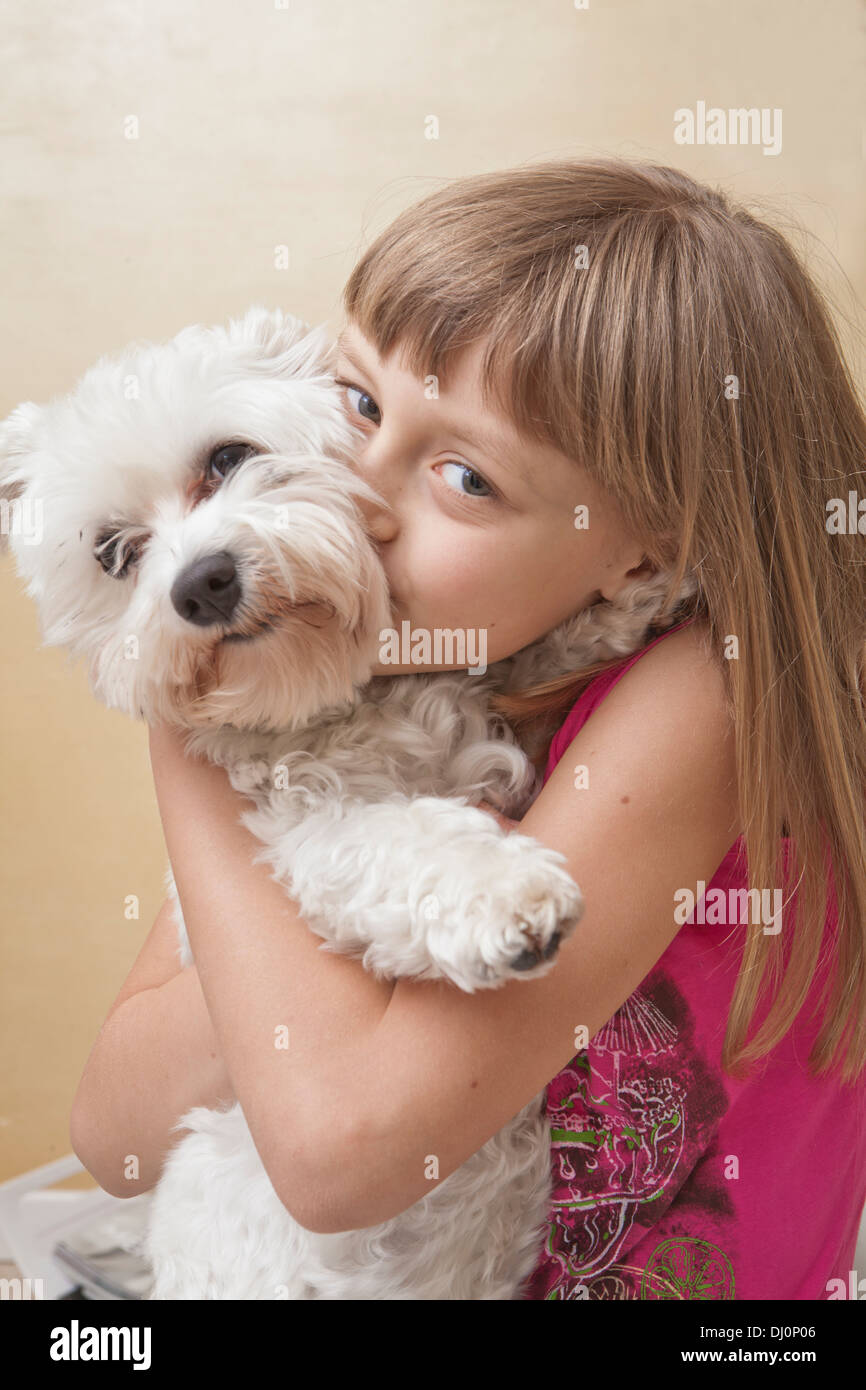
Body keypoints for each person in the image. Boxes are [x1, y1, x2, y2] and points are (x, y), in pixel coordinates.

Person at [71, 157, 866, 1300]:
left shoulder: (709, 693)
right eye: (355, 401)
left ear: (638, 551)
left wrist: (184, 732)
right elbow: (114, 1134)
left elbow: (340, 1149)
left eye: (464, 476)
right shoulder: (374, 688)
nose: (360, 492)